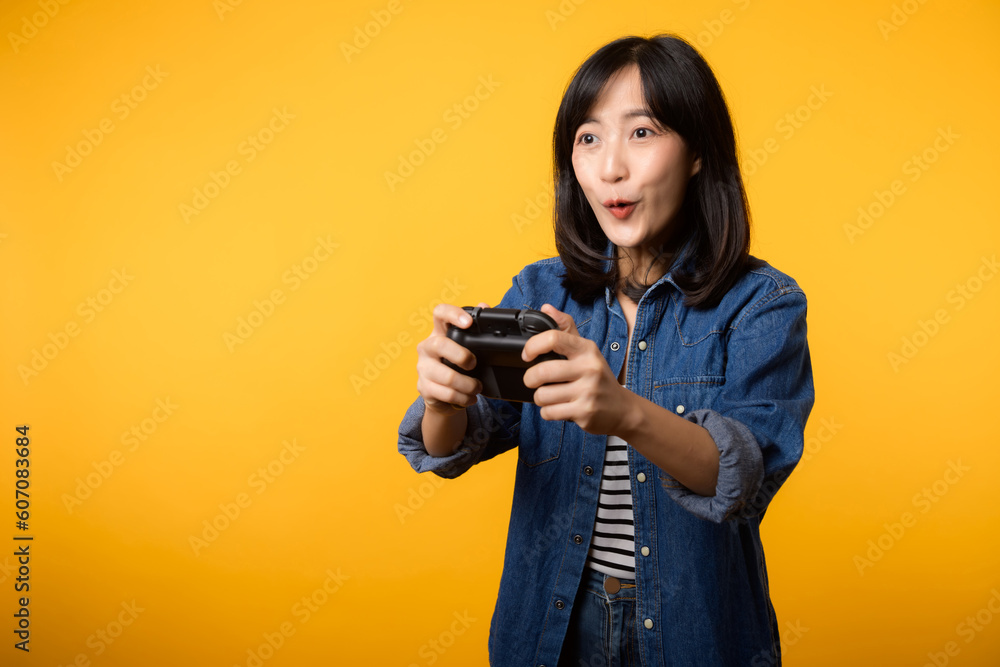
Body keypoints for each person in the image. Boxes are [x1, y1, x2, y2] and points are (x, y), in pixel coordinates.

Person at [397, 33, 814, 667]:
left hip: (695, 633)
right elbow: (451, 445)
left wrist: (623, 410)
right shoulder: (541, 290)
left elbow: (740, 479)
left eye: (641, 133)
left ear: (698, 150)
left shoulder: (762, 304)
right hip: (550, 624)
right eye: (588, 138)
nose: (610, 168)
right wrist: (443, 398)